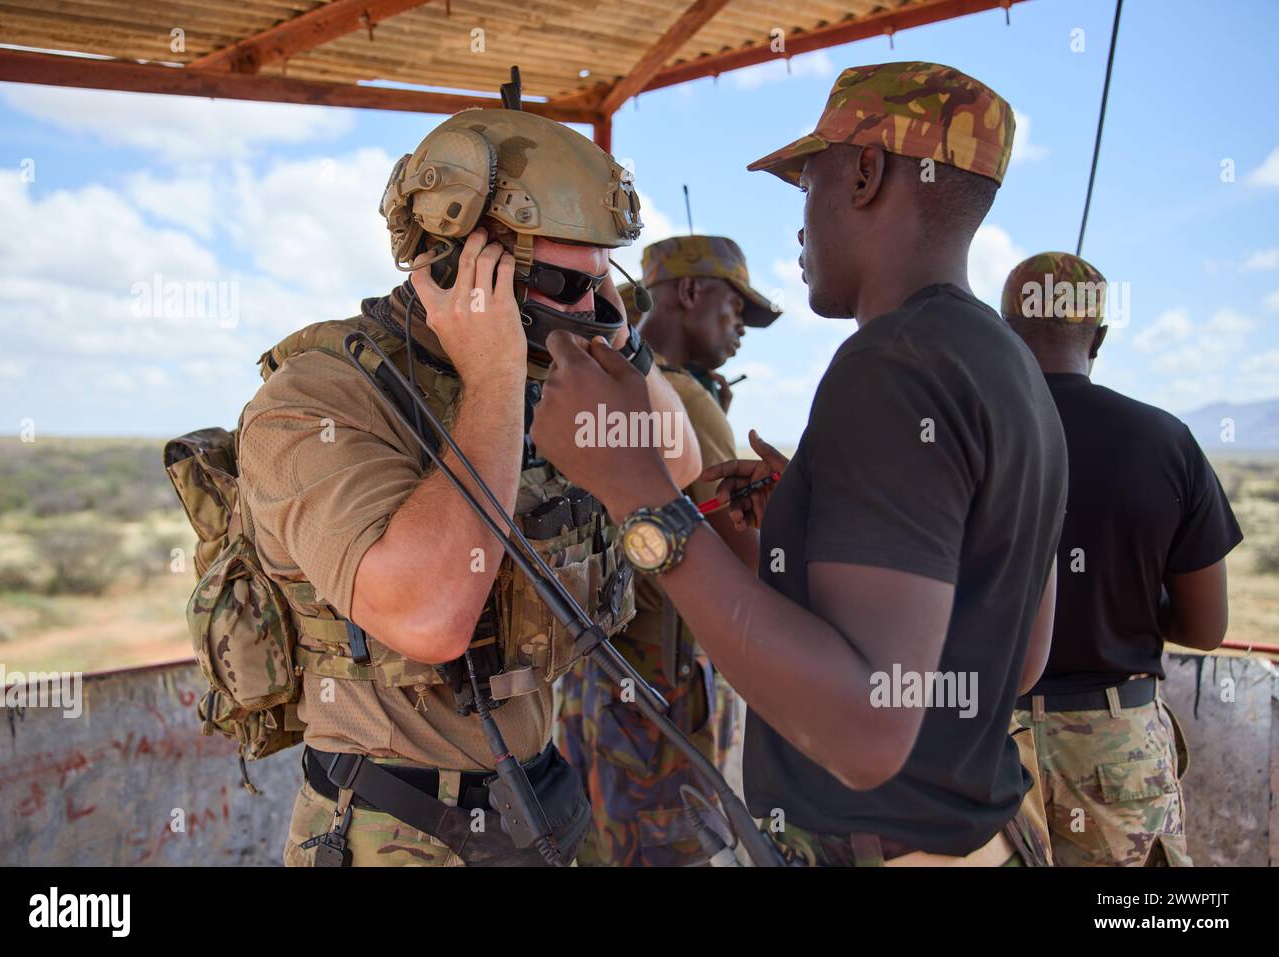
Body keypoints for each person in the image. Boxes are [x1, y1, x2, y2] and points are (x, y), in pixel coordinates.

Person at [529, 61, 1066, 867]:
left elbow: (865, 732)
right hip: (985, 837)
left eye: (805, 184)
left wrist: (640, 496)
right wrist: (814, 535)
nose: (800, 224)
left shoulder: (890, 367)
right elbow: (1016, 660)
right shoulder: (1010, 368)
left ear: (865, 173)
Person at [234, 103, 700, 866]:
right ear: (460, 265)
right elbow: (431, 616)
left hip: (538, 800)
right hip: (399, 825)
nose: (585, 310)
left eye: (601, 284)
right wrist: (494, 374)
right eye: (561, 282)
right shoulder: (316, 401)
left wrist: (624, 346)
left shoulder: (545, 374)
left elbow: (673, 477)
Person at [1003, 252, 1243, 867]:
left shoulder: (969, 434)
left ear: (1005, 331)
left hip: (988, 747)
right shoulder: (1164, 440)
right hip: (1116, 750)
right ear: (1099, 337)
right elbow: (1205, 628)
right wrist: (1128, 592)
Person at [555, 235, 778, 865]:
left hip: (596, 679)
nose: (740, 331)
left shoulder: (597, 384)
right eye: (735, 310)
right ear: (688, 292)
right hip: (660, 693)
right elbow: (749, 562)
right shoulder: (684, 400)